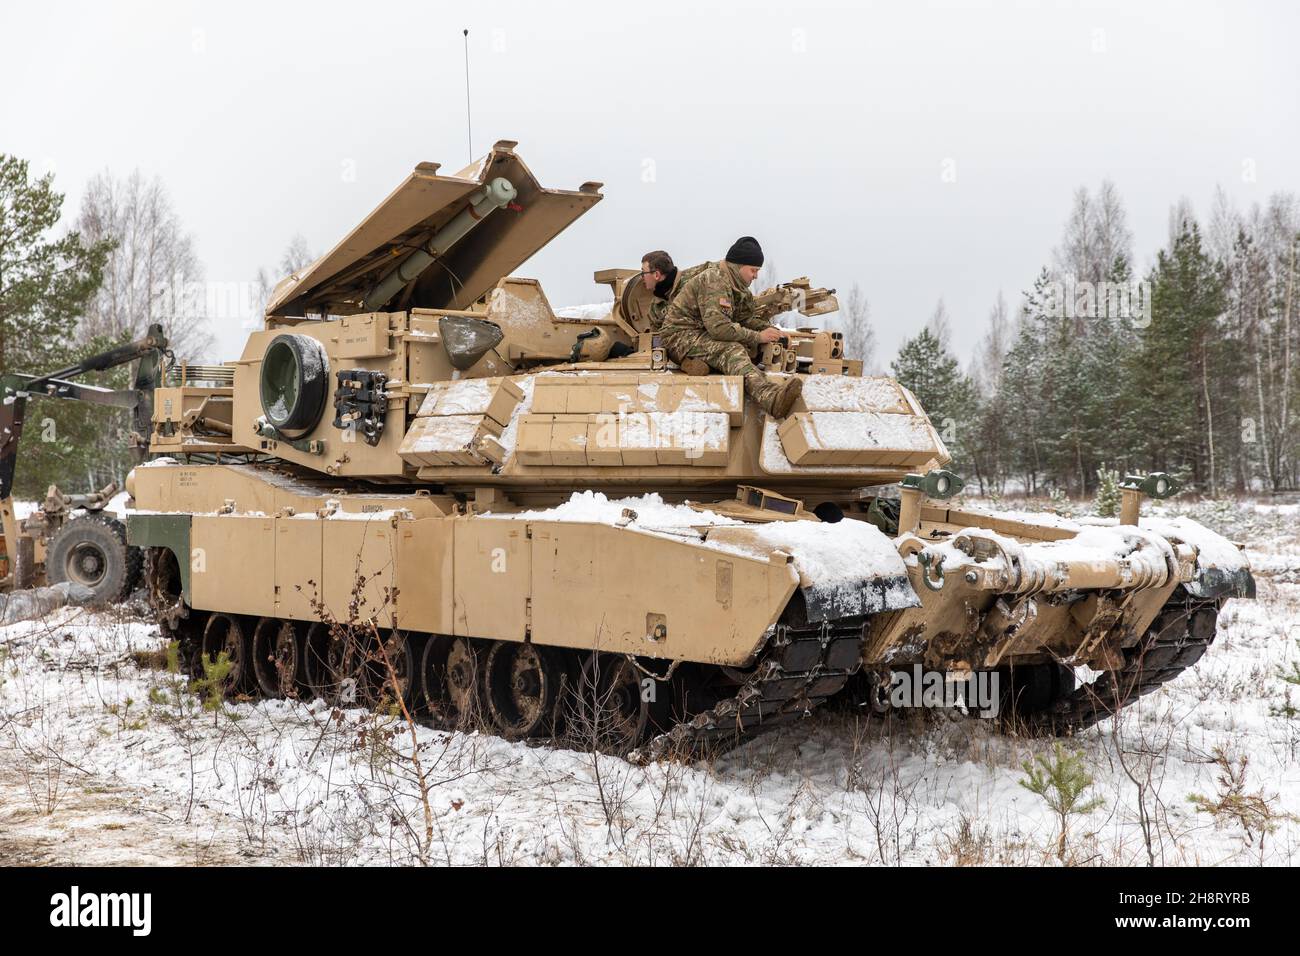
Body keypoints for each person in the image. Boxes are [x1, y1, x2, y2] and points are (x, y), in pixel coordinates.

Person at [658, 236, 802, 418]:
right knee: (731, 350)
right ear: (738, 266)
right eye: (753, 270)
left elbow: (747, 319)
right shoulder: (714, 281)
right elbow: (719, 328)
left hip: (701, 334)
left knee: (747, 347)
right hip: (679, 336)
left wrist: (773, 332)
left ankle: (699, 362)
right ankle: (770, 397)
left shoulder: (738, 287)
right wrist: (759, 337)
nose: (756, 276)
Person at [640, 250, 707, 332]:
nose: (642, 277)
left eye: (643, 273)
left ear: (656, 275)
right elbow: (655, 338)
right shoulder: (655, 308)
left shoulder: (694, 280)